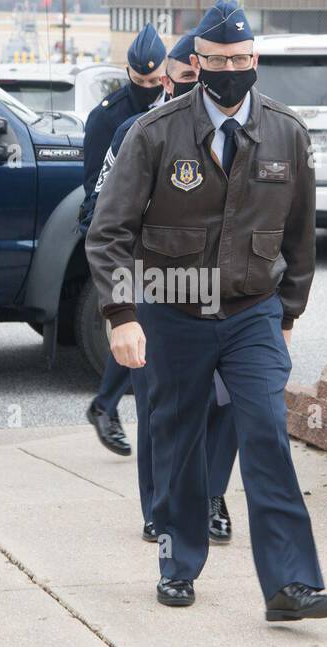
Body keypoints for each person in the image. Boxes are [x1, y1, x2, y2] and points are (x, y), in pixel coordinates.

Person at [86, 0, 327, 622]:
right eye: (217, 60)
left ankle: (291, 584)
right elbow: (108, 231)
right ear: (195, 63)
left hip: (252, 309)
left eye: (241, 59)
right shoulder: (155, 133)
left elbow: (300, 236)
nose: (230, 69)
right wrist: (122, 315)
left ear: (255, 60)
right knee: (176, 439)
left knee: (266, 433)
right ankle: (178, 563)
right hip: (173, 308)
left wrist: (288, 314)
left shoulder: (287, 132)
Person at [87, 32, 236, 545]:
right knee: (159, 405)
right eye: (190, 72)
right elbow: (100, 215)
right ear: (171, 75)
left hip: (225, 287)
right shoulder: (138, 130)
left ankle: (212, 495)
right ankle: (158, 507)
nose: (201, 81)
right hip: (157, 283)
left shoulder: (244, 128)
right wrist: (123, 299)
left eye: (207, 70)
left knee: (226, 398)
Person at [81, 24, 168, 457]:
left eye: (157, 82)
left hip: (156, 239)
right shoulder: (108, 117)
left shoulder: (172, 109)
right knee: (133, 320)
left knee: (143, 325)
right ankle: (106, 405)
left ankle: (105, 404)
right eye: (142, 82)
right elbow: (96, 190)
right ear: (129, 74)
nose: (150, 90)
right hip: (119, 237)